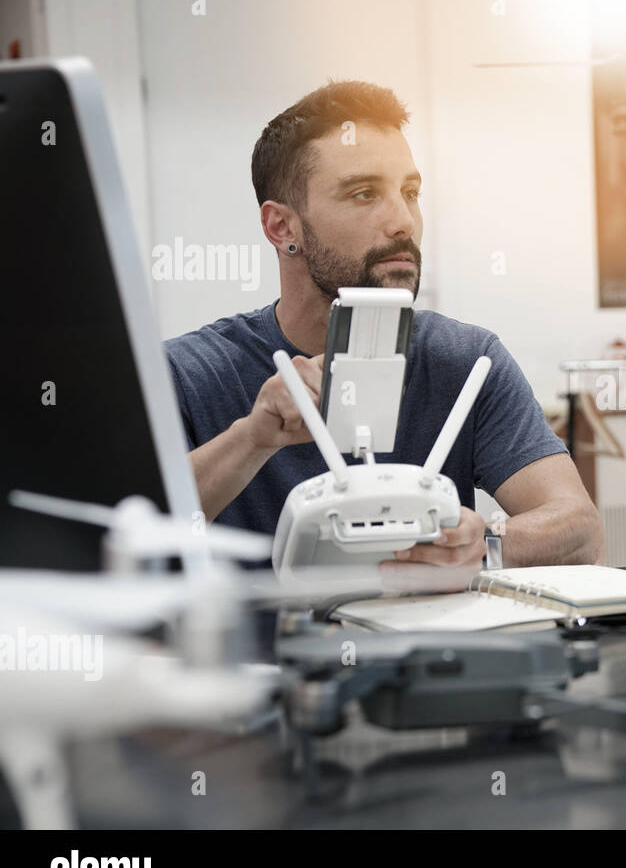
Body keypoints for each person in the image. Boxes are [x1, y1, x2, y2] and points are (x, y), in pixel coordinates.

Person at [165, 80, 603, 591]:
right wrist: (252, 438)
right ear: (282, 228)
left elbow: (581, 531)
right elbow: (115, 547)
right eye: (364, 193)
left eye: (410, 193)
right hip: (258, 666)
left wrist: (483, 544)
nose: (403, 222)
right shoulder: (189, 374)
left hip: (427, 662)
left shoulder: (466, 362)